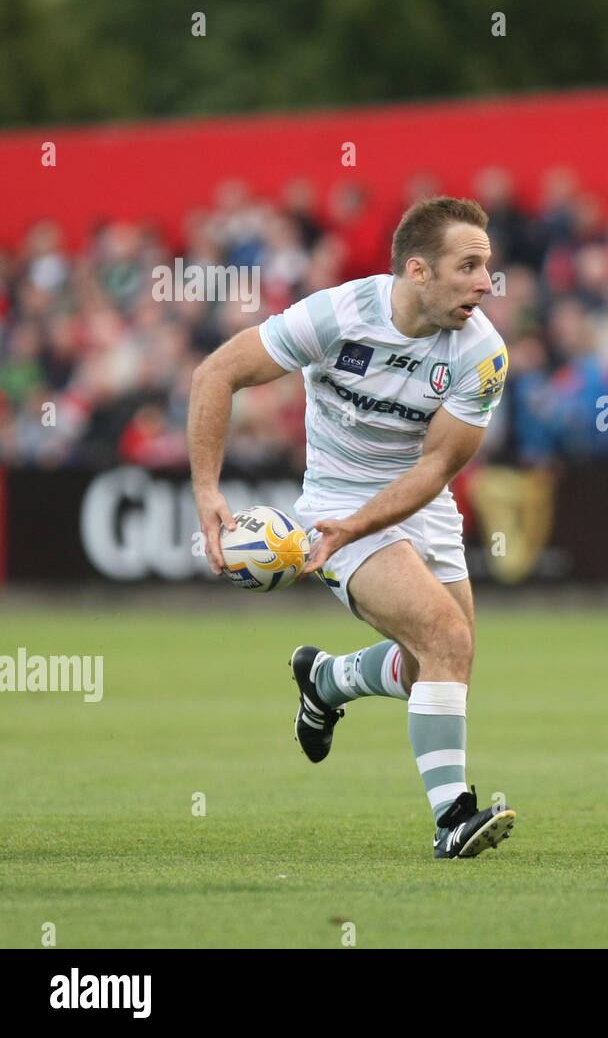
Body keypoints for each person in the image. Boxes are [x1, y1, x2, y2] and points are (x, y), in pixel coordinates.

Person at [188, 196, 517, 862]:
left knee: (446, 662)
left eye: (488, 266)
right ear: (418, 271)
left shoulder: (482, 352)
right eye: (470, 266)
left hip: (412, 502)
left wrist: (362, 523)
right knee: (445, 638)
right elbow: (217, 372)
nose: (487, 283)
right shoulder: (338, 315)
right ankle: (452, 819)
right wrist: (206, 490)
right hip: (334, 501)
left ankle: (328, 680)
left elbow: (434, 469)